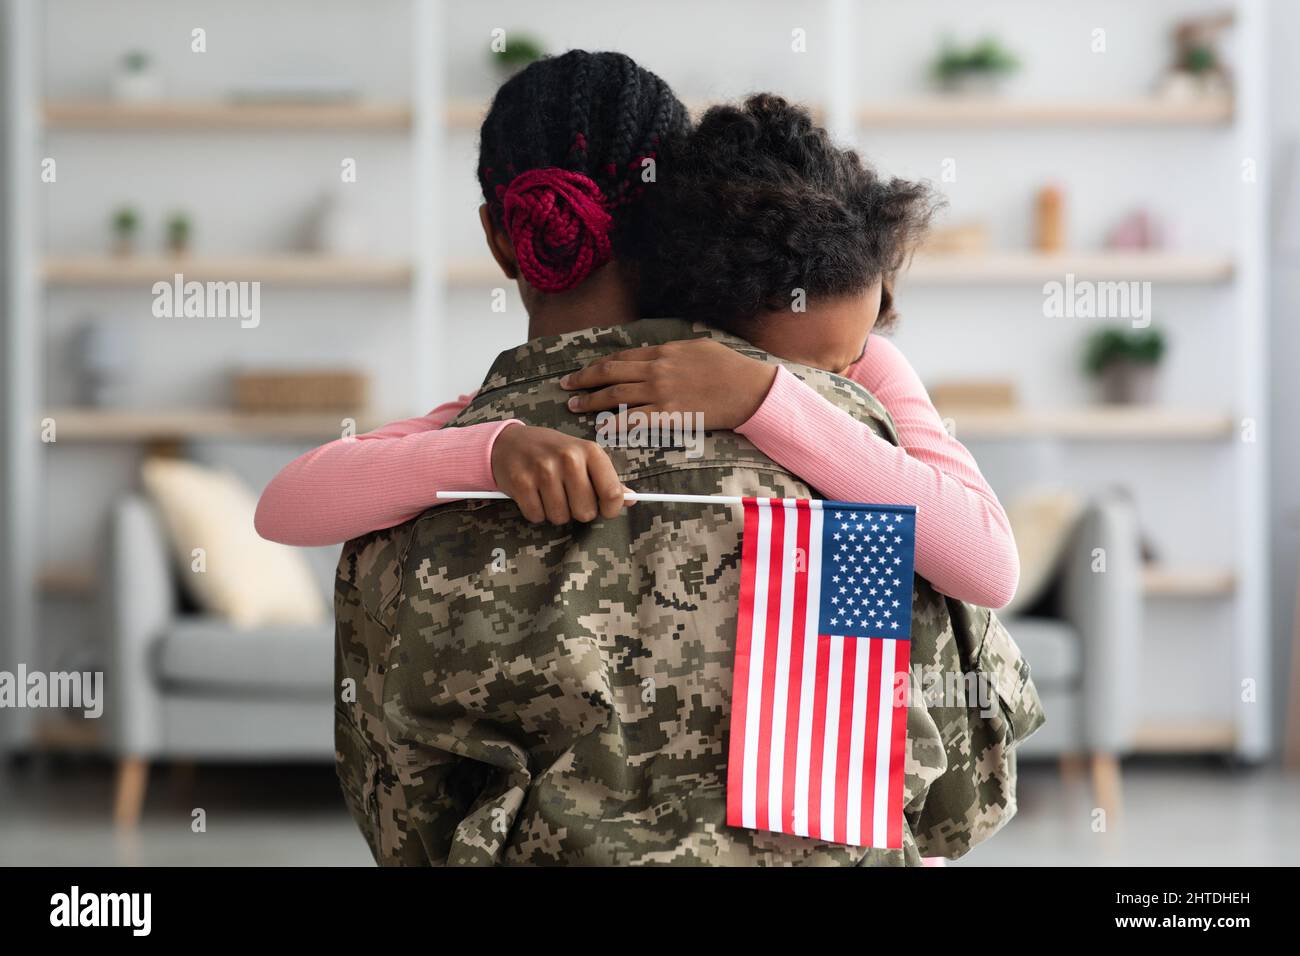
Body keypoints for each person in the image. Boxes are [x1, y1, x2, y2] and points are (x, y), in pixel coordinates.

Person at [323, 53, 1043, 865]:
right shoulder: (862, 437)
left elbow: (404, 806)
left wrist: (483, 449)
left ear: (498, 236)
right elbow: (950, 785)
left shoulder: (447, 461)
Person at [255, 91, 1017, 612]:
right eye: (808, 371)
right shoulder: (633, 384)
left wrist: (765, 398)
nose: (845, 380)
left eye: (864, 338)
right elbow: (287, 505)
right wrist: (487, 452)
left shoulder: (871, 368)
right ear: (698, 329)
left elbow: (988, 567)